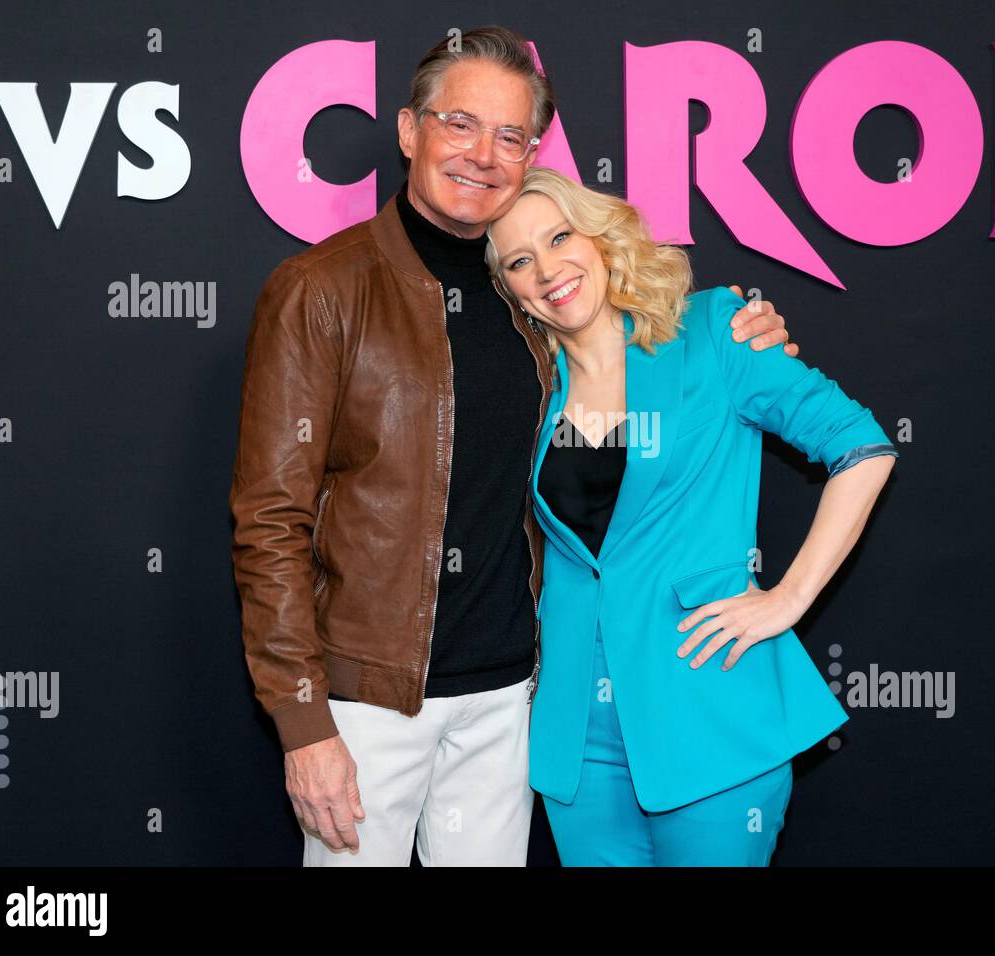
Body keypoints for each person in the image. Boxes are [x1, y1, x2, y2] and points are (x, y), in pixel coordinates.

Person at [228, 26, 796, 867]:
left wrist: (751, 331)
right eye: (460, 124)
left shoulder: (537, 293)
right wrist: (305, 723)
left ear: (533, 153)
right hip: (369, 702)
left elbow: (650, 357)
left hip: (509, 702)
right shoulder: (321, 289)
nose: (483, 154)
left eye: (511, 136)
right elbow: (269, 521)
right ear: (410, 131)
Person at [485, 166, 899, 866]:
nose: (548, 268)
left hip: (708, 714)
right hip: (577, 744)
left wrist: (790, 597)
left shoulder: (710, 332)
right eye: (520, 261)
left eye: (559, 237)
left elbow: (861, 447)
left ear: (599, 236)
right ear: (510, 290)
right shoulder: (534, 387)